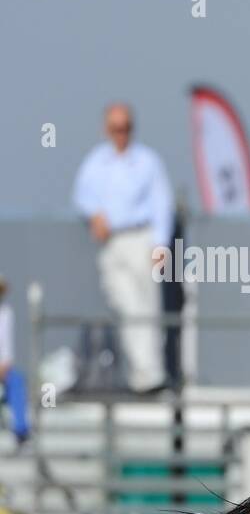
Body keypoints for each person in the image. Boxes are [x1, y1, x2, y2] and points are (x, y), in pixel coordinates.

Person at [72, 102, 173, 395]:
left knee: (146, 307)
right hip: (112, 243)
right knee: (124, 305)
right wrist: (95, 215)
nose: (121, 134)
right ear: (106, 129)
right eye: (116, 128)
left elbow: (161, 203)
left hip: (141, 238)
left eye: (126, 128)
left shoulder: (147, 161)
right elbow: (81, 195)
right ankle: (141, 373)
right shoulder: (95, 162)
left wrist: (160, 245)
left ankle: (150, 377)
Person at [0, 275, 31, 444]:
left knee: (17, 381)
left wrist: (4, 367)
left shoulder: (6, 313)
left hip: (2, 371)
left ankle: (21, 431)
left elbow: (6, 350)